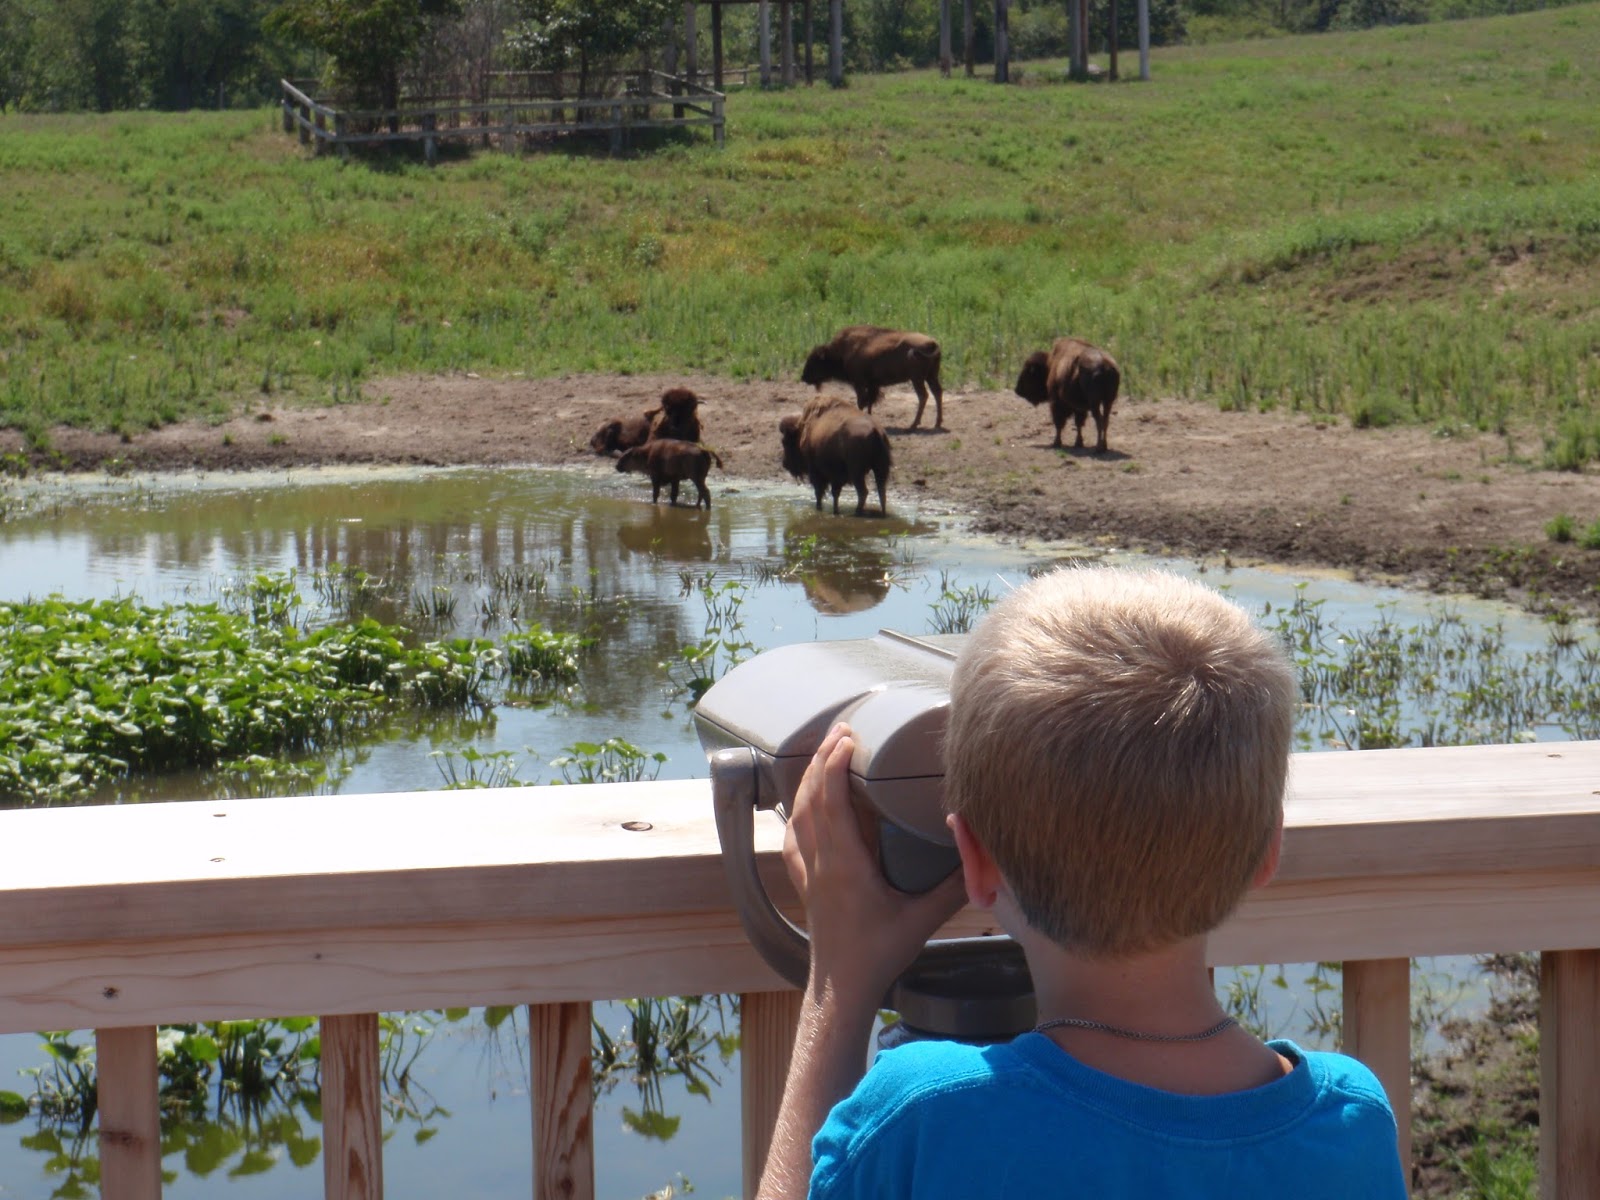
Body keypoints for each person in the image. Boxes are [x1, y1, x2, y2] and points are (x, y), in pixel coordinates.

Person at [760, 566, 1409, 1199]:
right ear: (1267, 849)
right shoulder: (1351, 1125)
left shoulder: (924, 1117)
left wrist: (837, 992)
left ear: (975, 862)